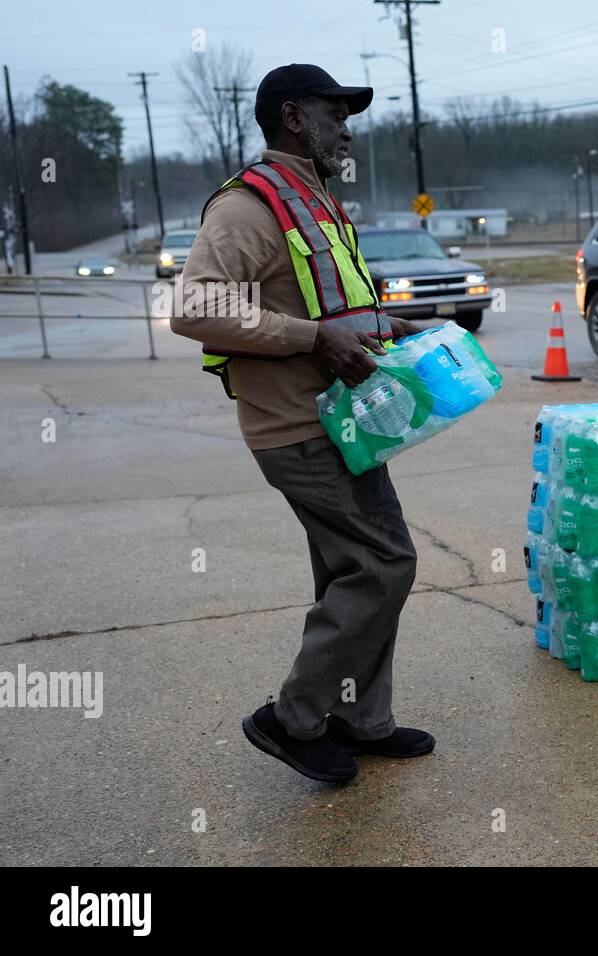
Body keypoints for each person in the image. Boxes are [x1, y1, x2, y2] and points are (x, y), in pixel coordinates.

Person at [171, 64, 434, 783]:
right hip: (297, 428)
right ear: (293, 117)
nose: (347, 126)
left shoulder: (313, 200)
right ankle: (292, 717)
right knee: (386, 565)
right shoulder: (250, 205)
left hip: (344, 424)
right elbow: (195, 308)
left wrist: (382, 325)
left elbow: (325, 305)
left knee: (353, 572)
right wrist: (314, 341)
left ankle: (356, 718)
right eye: (334, 111)